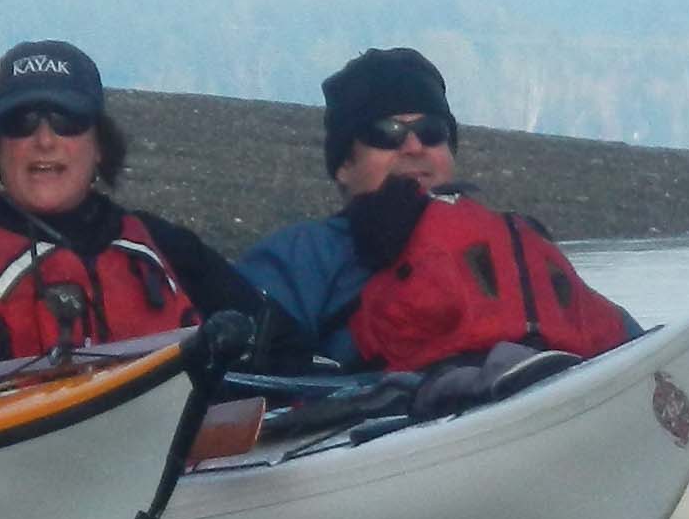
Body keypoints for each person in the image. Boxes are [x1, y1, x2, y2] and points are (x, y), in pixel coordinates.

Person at [0, 39, 287, 377]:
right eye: (21, 122)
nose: (45, 139)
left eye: (67, 119)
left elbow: (286, 353)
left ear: (99, 144)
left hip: (176, 471)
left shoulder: (171, 250)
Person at [235, 45, 635, 373]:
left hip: (531, 396)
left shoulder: (515, 240)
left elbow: (628, 344)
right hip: (376, 431)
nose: (413, 147)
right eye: (385, 134)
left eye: (431, 132)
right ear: (344, 165)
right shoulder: (305, 254)